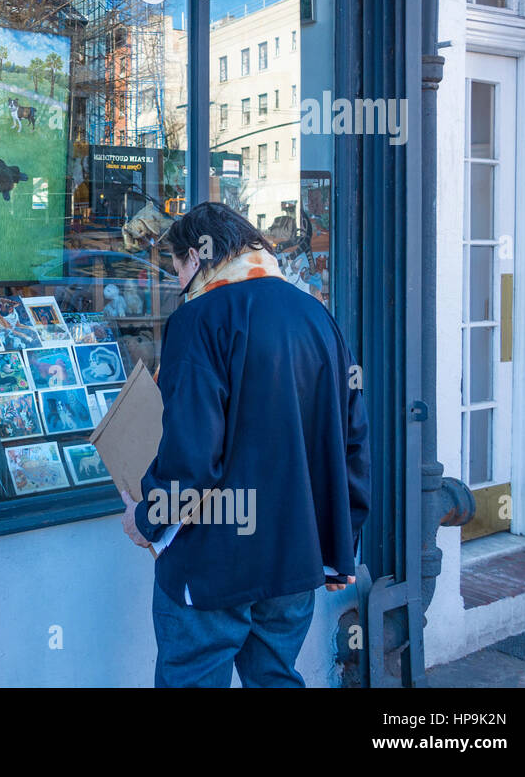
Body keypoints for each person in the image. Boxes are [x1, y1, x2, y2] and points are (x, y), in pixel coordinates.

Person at [119, 202, 370, 688]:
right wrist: (343, 544)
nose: (177, 283)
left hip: (214, 564)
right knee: (276, 678)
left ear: (197, 256)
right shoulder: (318, 317)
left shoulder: (198, 320)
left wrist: (146, 519)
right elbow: (351, 441)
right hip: (296, 558)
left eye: (177, 268)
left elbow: (192, 459)